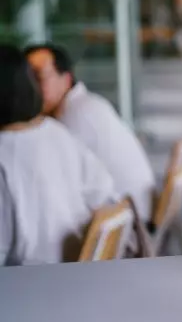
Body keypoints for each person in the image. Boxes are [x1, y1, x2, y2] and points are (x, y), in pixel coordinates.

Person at [0, 45, 116, 265]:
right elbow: (105, 195)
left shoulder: (4, 153)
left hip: (28, 288)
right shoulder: (57, 132)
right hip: (74, 276)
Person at [25, 44, 157, 219]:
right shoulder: (86, 104)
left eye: (39, 76)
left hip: (129, 226)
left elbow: (56, 192)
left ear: (66, 77)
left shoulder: (73, 117)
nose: (30, 87)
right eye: (26, 79)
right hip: (131, 215)